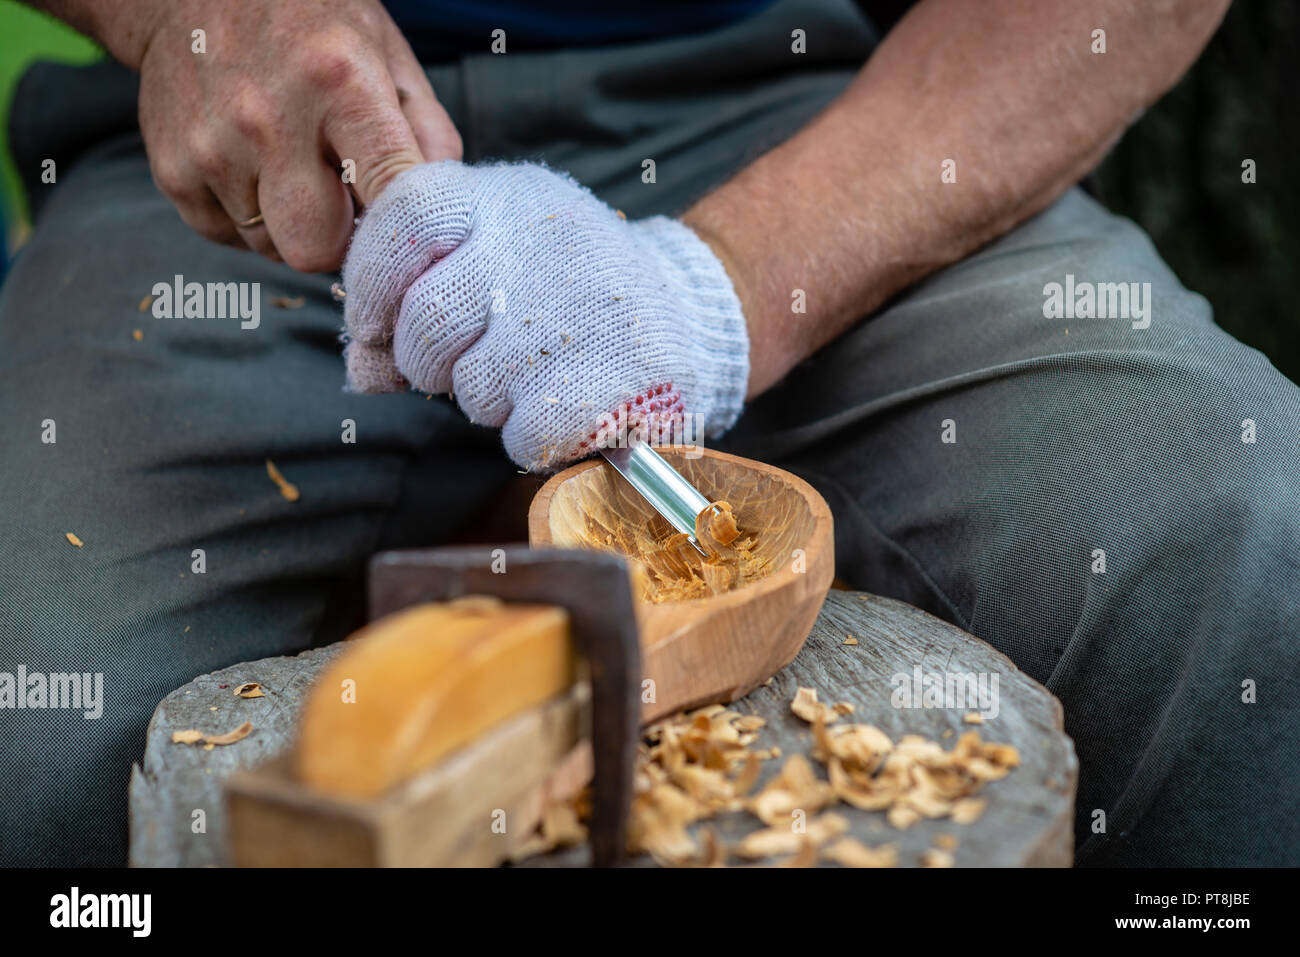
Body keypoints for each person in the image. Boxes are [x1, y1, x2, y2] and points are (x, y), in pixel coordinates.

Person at [2, 0, 1294, 868]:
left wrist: (708, 296)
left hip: (823, 125)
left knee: (1235, 538)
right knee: (34, 723)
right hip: (261, 162)